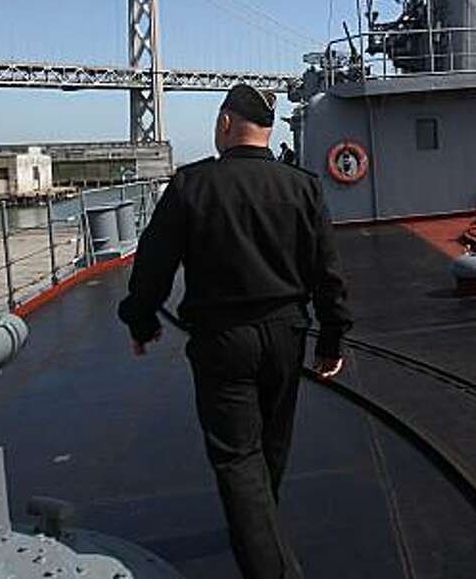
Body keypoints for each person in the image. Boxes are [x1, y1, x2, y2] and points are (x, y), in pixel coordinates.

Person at [117, 83, 352, 579]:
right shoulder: (304, 186)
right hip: (287, 335)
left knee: (237, 458)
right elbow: (327, 274)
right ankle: (261, 531)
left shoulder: (191, 185)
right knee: (272, 446)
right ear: (267, 131)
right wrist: (331, 340)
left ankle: (268, 565)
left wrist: (141, 322)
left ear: (226, 123)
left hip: (223, 341)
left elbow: (153, 269)